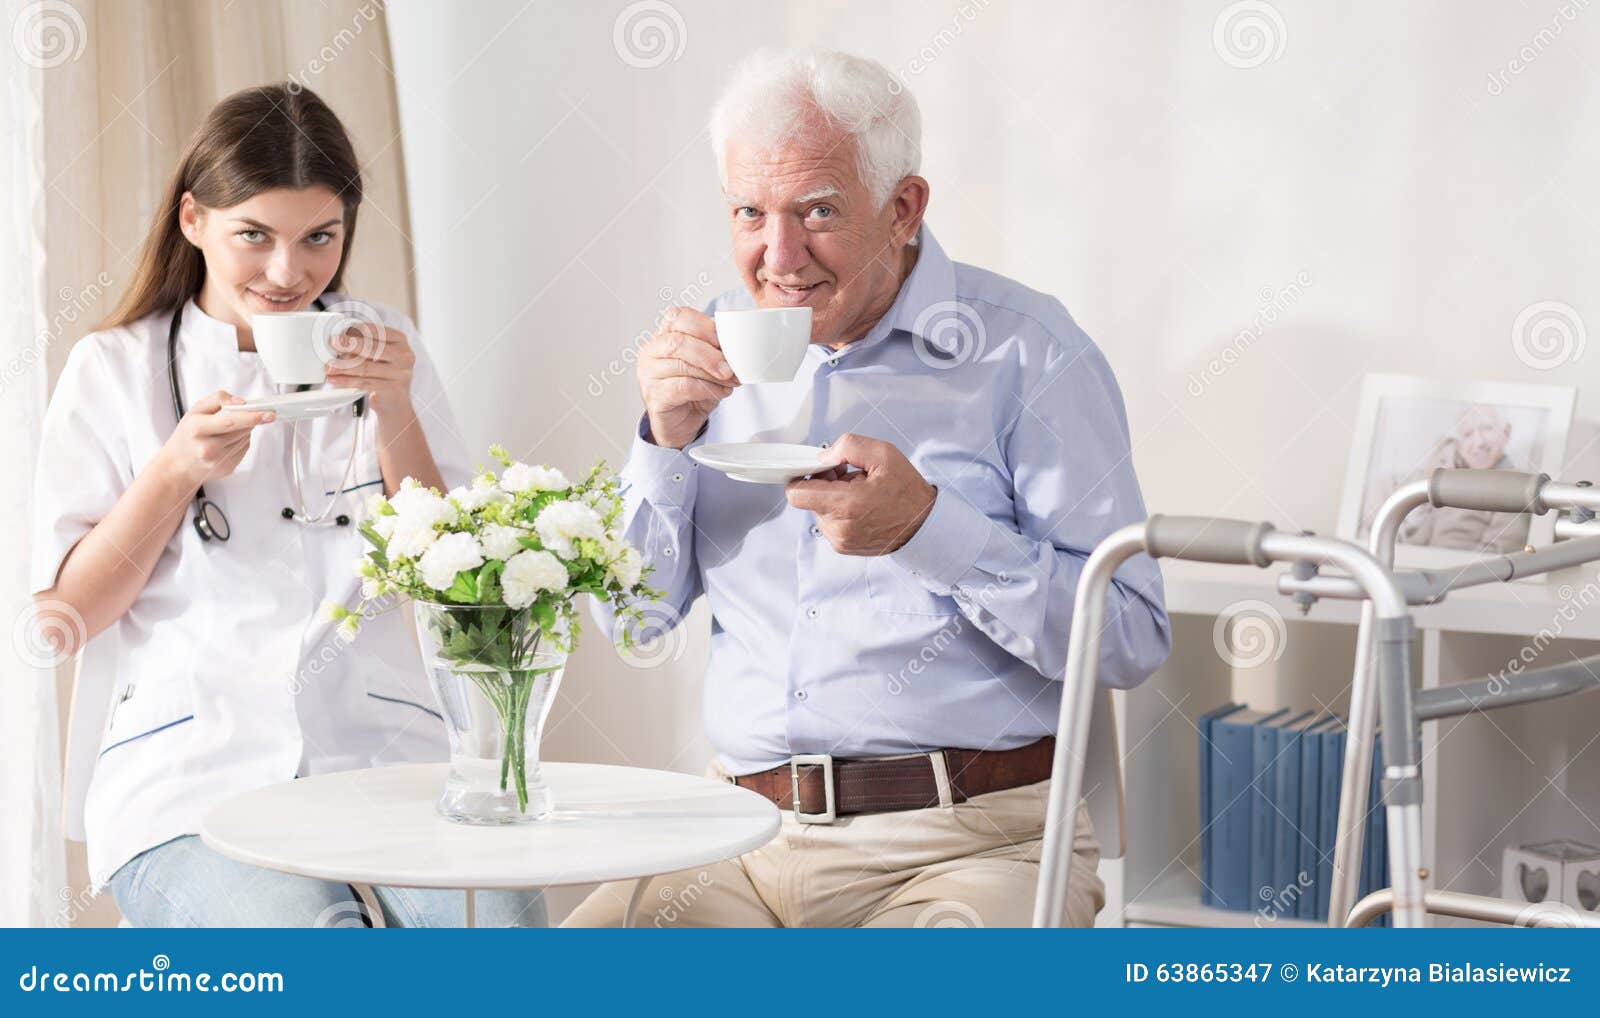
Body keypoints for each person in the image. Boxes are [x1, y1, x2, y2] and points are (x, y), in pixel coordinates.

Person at [564, 49, 1170, 928]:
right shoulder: (712, 353)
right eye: (748, 212)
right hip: (733, 841)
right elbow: (632, 619)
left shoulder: (1029, 352)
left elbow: (1133, 637)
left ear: (904, 209)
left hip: (971, 849)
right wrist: (661, 439)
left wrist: (930, 529)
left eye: (817, 211)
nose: (779, 256)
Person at [29, 84, 545, 928]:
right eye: (253, 236)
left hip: (387, 759)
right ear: (193, 220)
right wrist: (172, 474)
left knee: (506, 943)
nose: (287, 273)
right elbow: (67, 616)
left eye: (319, 239)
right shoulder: (111, 368)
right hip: (191, 780)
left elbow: (462, 594)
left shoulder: (388, 346)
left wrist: (396, 413)